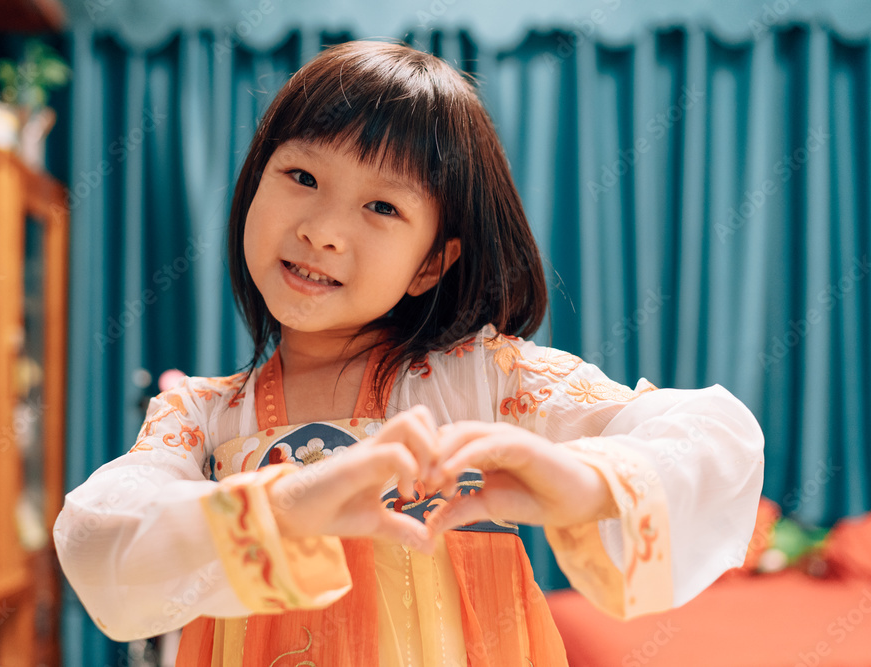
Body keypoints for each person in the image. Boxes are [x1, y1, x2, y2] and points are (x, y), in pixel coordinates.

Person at [53, 39, 765, 666]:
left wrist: (588, 482)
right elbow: (97, 540)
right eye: (301, 176)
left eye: (382, 207)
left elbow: (716, 439)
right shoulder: (203, 414)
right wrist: (287, 503)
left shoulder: (489, 380)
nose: (323, 230)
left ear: (431, 263)